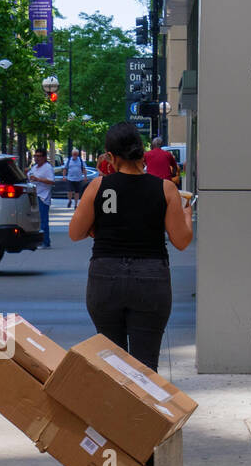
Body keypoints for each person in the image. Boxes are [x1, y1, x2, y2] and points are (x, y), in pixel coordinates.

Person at [68, 122, 193, 372]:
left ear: (111, 157)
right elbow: (181, 241)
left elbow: (75, 233)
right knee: (145, 368)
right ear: (142, 152)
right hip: (151, 279)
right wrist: (187, 214)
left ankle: (112, 410)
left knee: (112, 366)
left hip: (105, 277)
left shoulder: (98, 187)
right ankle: (143, 410)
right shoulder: (165, 189)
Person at [26, 147, 56, 248]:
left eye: (39, 156)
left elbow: (51, 181)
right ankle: (39, 241)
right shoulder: (34, 167)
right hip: (34, 195)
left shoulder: (47, 167)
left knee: (43, 220)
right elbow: (30, 177)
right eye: (35, 156)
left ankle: (45, 242)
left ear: (44, 157)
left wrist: (38, 179)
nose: (36, 158)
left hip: (43, 196)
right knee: (36, 221)